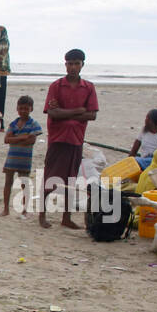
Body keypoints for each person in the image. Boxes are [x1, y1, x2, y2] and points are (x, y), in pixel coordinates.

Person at [41, 48, 98, 229]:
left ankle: (66, 217)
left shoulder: (88, 88)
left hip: (76, 139)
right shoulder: (56, 86)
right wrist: (77, 111)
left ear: (82, 65)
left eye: (76, 63)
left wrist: (66, 114)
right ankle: (42, 215)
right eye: (70, 64)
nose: (73, 67)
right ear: (65, 65)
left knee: (72, 179)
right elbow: (52, 112)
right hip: (58, 138)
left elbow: (91, 115)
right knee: (51, 177)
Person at [0, 95, 41, 217]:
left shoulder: (33, 124)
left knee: (25, 184)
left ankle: (25, 209)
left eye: (26, 109)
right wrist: (23, 136)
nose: (23, 111)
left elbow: (31, 141)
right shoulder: (13, 123)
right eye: (21, 108)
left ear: (31, 109)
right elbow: (6, 140)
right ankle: (6, 209)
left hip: (24, 160)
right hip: (12, 159)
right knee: (8, 183)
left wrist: (15, 139)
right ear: (17, 108)